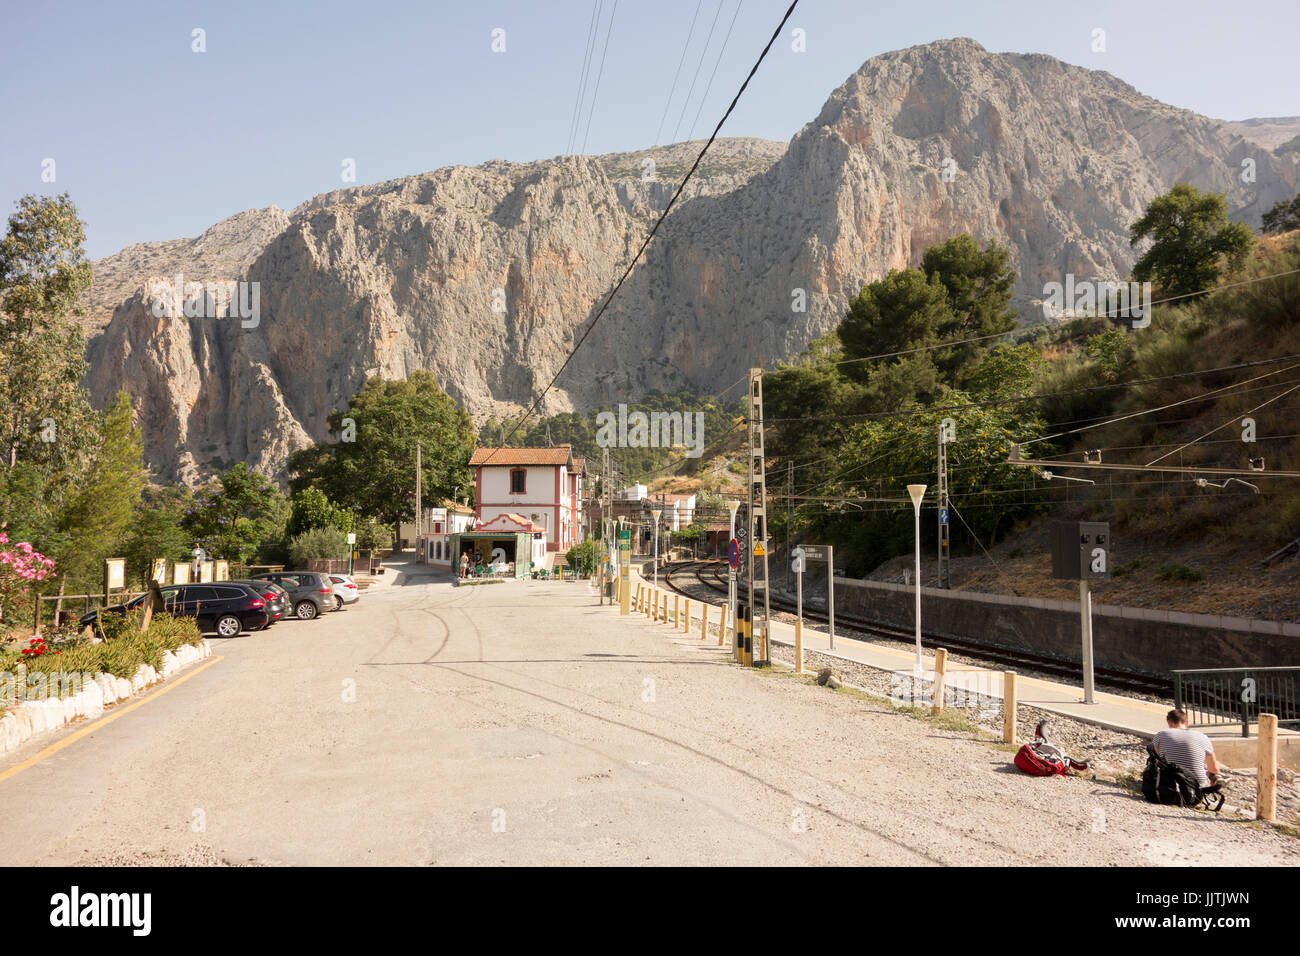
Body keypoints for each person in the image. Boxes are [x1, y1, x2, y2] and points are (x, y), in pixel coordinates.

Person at [1152, 708, 1222, 790]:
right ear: (1186, 723)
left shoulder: (1162, 734)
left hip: (1169, 785)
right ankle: (1217, 779)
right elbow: (1214, 768)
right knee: (1212, 770)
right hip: (1197, 789)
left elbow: (1155, 759)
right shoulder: (1203, 737)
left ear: (1169, 723)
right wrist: (1210, 773)